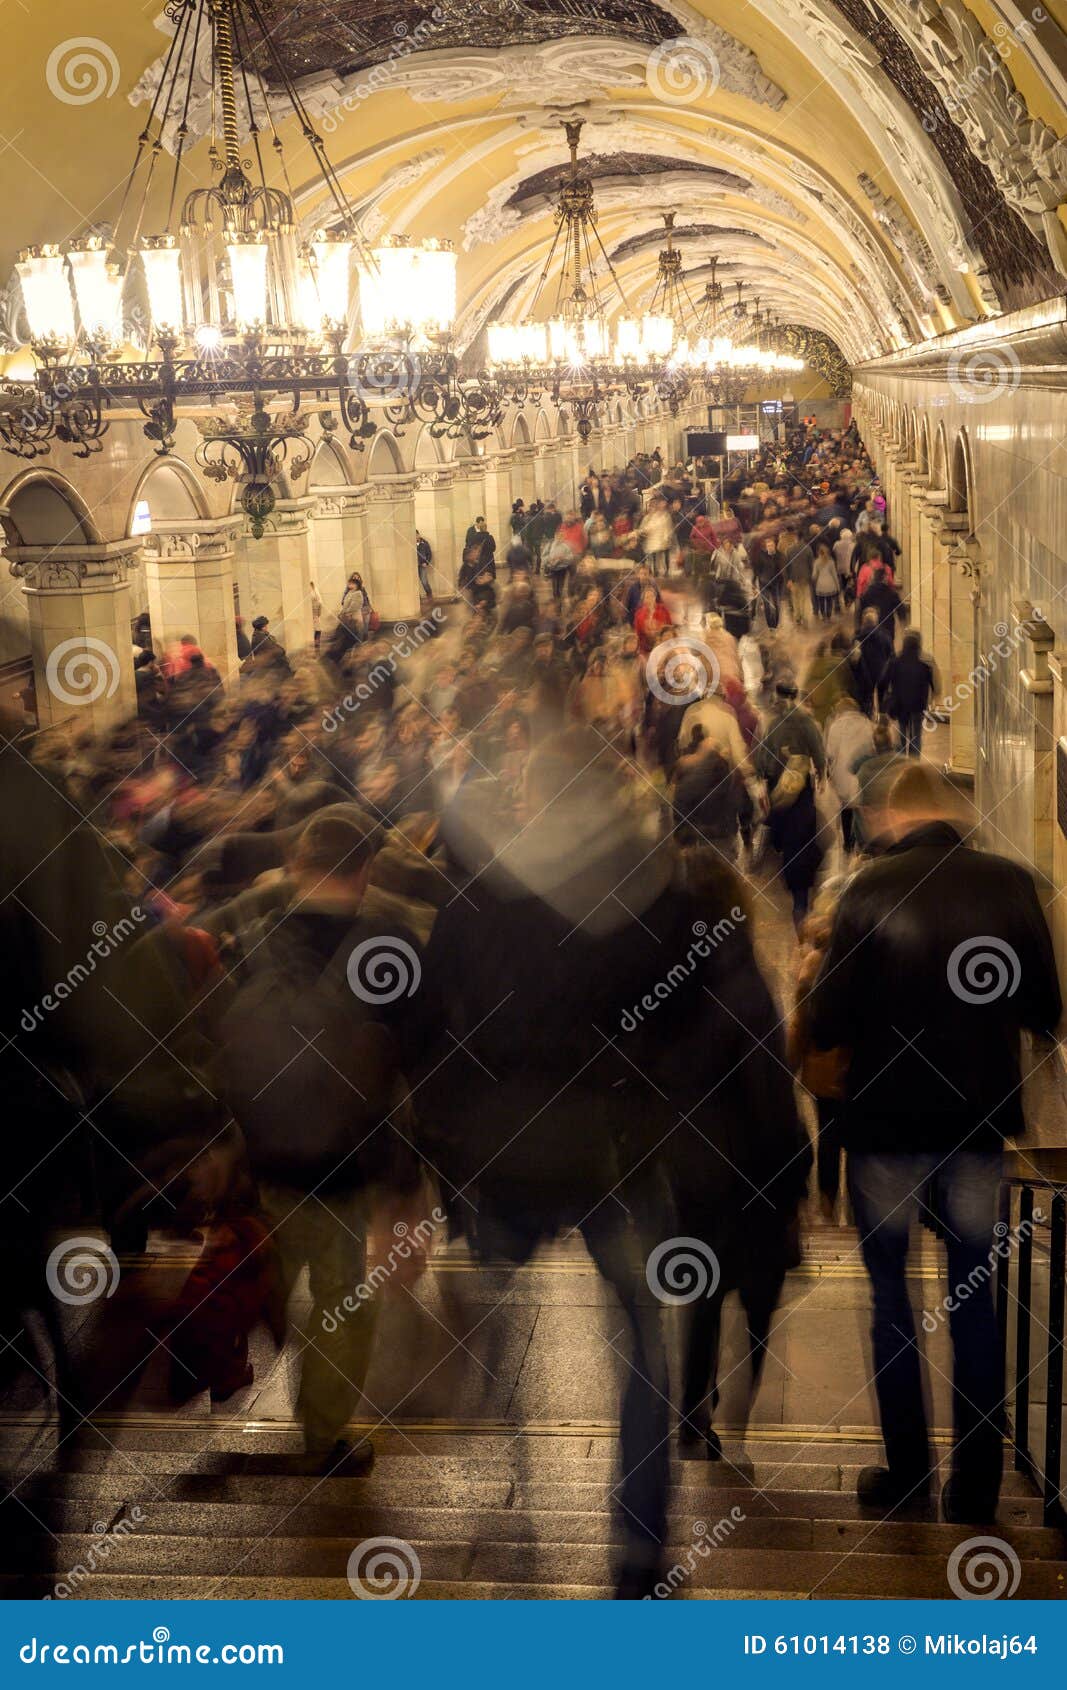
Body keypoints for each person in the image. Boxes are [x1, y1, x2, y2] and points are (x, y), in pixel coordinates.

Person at [806, 763, 1061, 1521]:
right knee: (974, 1297)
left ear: (894, 816)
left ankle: (907, 1474)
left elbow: (827, 1023)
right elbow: (1045, 1007)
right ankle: (975, 1489)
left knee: (891, 1300)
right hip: (975, 1127)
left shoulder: (867, 891)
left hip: (884, 1130)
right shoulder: (1010, 885)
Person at [220, 806, 422, 1477]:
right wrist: (406, 1185)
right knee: (341, 1305)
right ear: (364, 870)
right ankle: (324, 1437)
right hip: (343, 1164)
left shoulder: (247, 932)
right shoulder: (388, 944)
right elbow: (416, 1066)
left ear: (299, 861)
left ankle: (221, 1369)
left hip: (261, 1157)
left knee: (260, 1275)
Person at [824, 693, 873, 852]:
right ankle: (861, 841)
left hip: (842, 775)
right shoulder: (867, 724)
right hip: (862, 775)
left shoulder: (835, 727)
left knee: (846, 809)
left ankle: (847, 844)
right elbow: (872, 749)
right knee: (860, 808)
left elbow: (830, 753)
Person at [884, 629, 938, 756]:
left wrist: (885, 698)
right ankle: (914, 763)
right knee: (916, 736)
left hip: (899, 705)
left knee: (901, 735)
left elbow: (884, 680)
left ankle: (902, 764)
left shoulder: (895, 659)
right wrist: (935, 697)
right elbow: (936, 682)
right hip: (918, 705)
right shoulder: (927, 660)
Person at [416, 531, 433, 599]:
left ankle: (429, 594)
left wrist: (426, 562)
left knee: (424, 581)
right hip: (413, 566)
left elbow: (429, 554)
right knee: (414, 583)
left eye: (416, 535)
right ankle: (417, 598)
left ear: (418, 534)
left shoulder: (424, 543)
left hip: (422, 565)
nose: (416, 537)